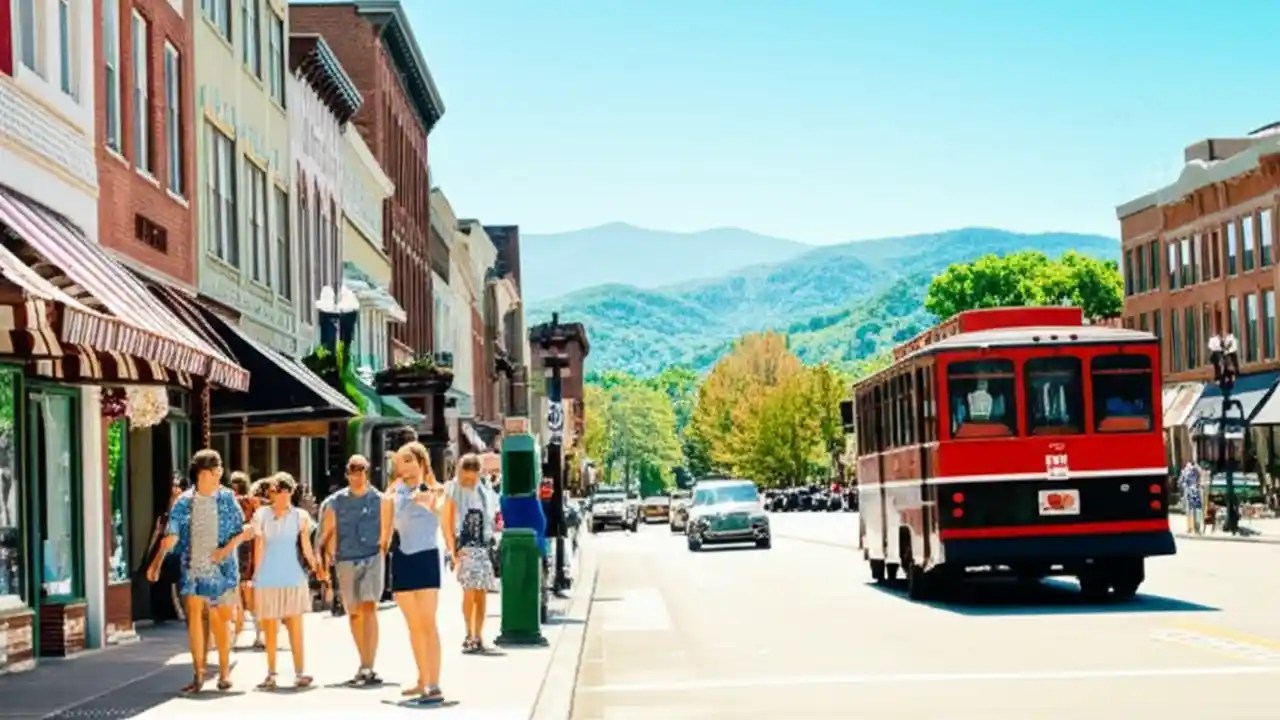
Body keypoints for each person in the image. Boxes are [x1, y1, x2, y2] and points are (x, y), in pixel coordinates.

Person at [146, 449, 252, 693]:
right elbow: (171, 534)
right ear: (203, 473)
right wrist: (158, 560)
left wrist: (225, 551)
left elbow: (240, 531)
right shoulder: (184, 501)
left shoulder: (227, 499)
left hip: (222, 570)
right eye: (216, 470)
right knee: (195, 620)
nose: (220, 474)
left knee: (219, 620)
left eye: (220, 470)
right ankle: (198, 675)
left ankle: (224, 672)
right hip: (191, 568)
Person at [386, 442, 451, 704]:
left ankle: (434, 684)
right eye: (401, 463)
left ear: (423, 463)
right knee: (413, 626)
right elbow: (387, 524)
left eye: (410, 461)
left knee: (427, 623)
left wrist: (430, 504)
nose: (406, 468)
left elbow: (445, 518)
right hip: (402, 557)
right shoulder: (395, 493)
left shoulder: (436, 491)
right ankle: (422, 678)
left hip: (426, 556)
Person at [320, 454, 390, 686]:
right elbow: (325, 534)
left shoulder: (380, 499)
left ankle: (369, 664)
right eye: (353, 471)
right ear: (347, 474)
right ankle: (363, 661)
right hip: (346, 559)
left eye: (361, 471)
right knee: (355, 612)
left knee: (369, 606)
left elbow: (388, 529)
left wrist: (382, 547)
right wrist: (324, 565)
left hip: (371, 556)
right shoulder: (334, 502)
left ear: (367, 473)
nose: (357, 476)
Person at [251, 472, 323, 690]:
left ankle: (300, 671)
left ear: (291, 492)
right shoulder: (261, 515)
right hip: (268, 576)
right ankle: (271, 673)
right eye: (276, 491)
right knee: (270, 627)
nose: (281, 496)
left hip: (292, 575)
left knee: (295, 626)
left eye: (285, 491)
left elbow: (305, 546)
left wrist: (315, 566)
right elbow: (259, 545)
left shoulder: (300, 516)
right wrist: (256, 574)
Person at [443, 453, 498, 653]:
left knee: (481, 592)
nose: (467, 480)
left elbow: (490, 516)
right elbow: (447, 522)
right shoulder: (453, 489)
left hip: (483, 545)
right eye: (464, 476)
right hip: (464, 545)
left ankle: (478, 634)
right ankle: (468, 633)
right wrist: (452, 550)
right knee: (469, 591)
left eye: (471, 476)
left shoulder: (484, 490)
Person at [227, 472, 262, 649]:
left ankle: (238, 634)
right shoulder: (253, 503)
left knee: (239, 593)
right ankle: (257, 633)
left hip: (240, 548)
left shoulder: (230, 502)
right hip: (250, 548)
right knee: (249, 592)